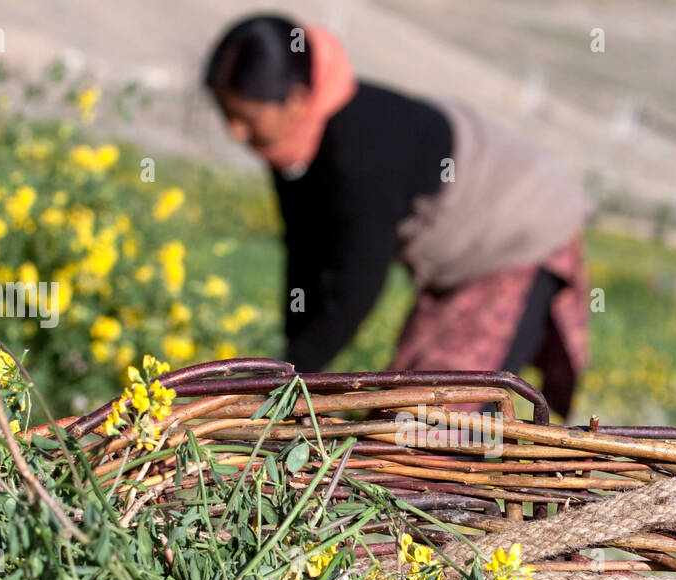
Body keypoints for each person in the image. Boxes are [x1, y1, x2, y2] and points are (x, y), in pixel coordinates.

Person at [203, 14, 592, 417]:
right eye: (227, 114)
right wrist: (287, 368)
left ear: (297, 99)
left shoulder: (359, 156)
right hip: (458, 260)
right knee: (403, 414)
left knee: (444, 424)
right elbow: (305, 252)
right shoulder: (294, 146)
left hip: (520, 227)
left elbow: (354, 288)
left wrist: (284, 385)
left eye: (245, 118)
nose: (234, 132)